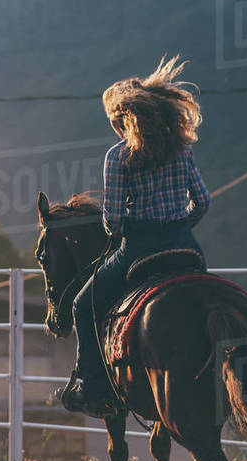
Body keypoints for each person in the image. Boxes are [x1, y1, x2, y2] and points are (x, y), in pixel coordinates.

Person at [55, 55, 210, 416]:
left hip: (139, 249)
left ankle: (94, 388)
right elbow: (202, 201)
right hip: (185, 244)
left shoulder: (118, 157)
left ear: (123, 121)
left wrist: (122, 226)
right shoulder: (182, 149)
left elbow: (113, 221)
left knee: (82, 305)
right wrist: (181, 224)